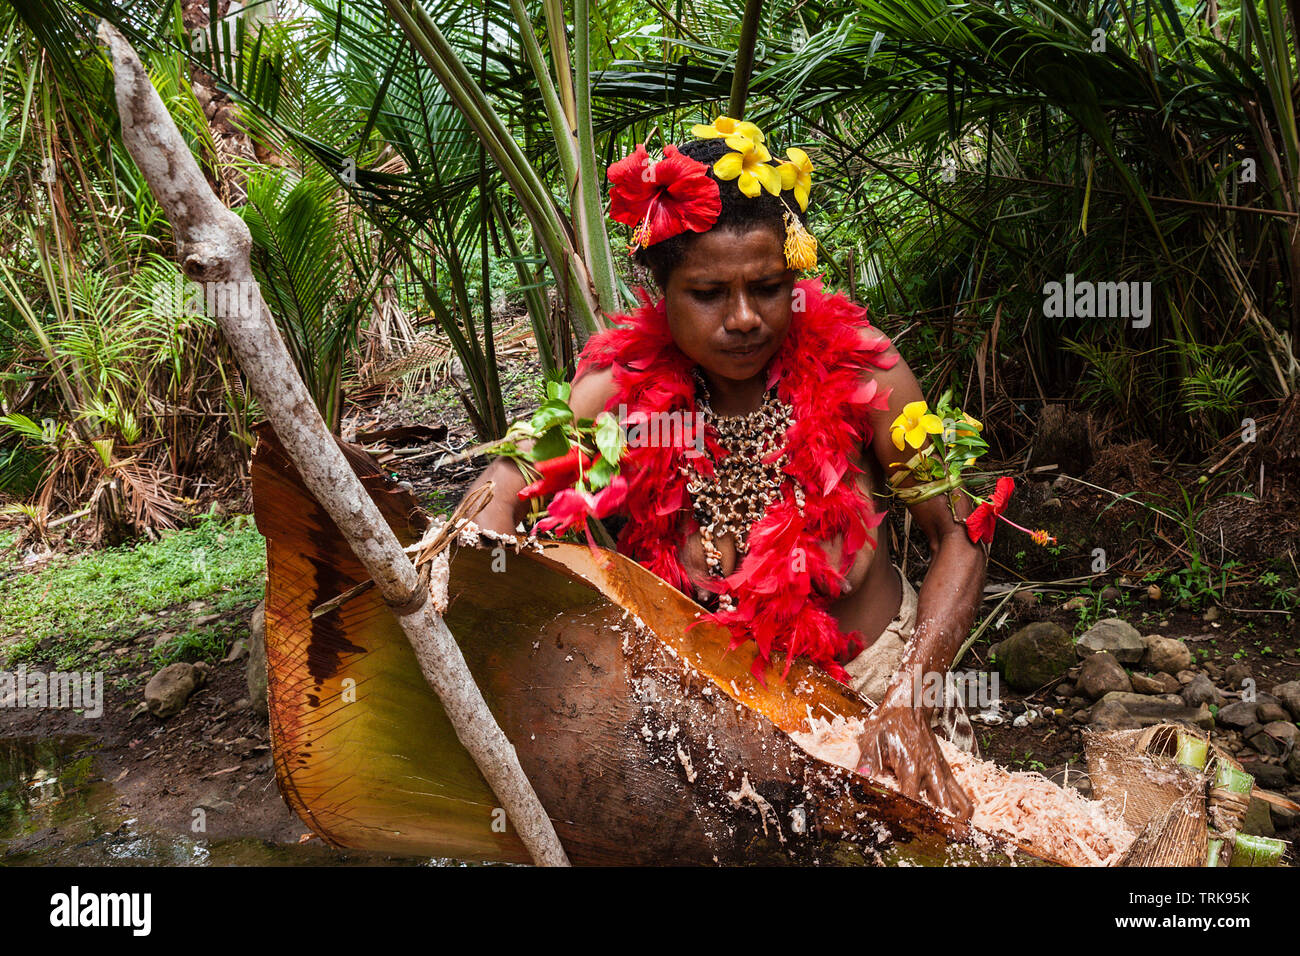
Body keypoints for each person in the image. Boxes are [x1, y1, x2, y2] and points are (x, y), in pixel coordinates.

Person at [466, 121, 986, 820]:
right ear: (662, 291)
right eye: (709, 293)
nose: (744, 318)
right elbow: (499, 500)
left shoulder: (868, 369)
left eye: (767, 288)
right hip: (707, 709)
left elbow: (963, 533)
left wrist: (909, 698)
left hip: (874, 695)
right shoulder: (618, 388)